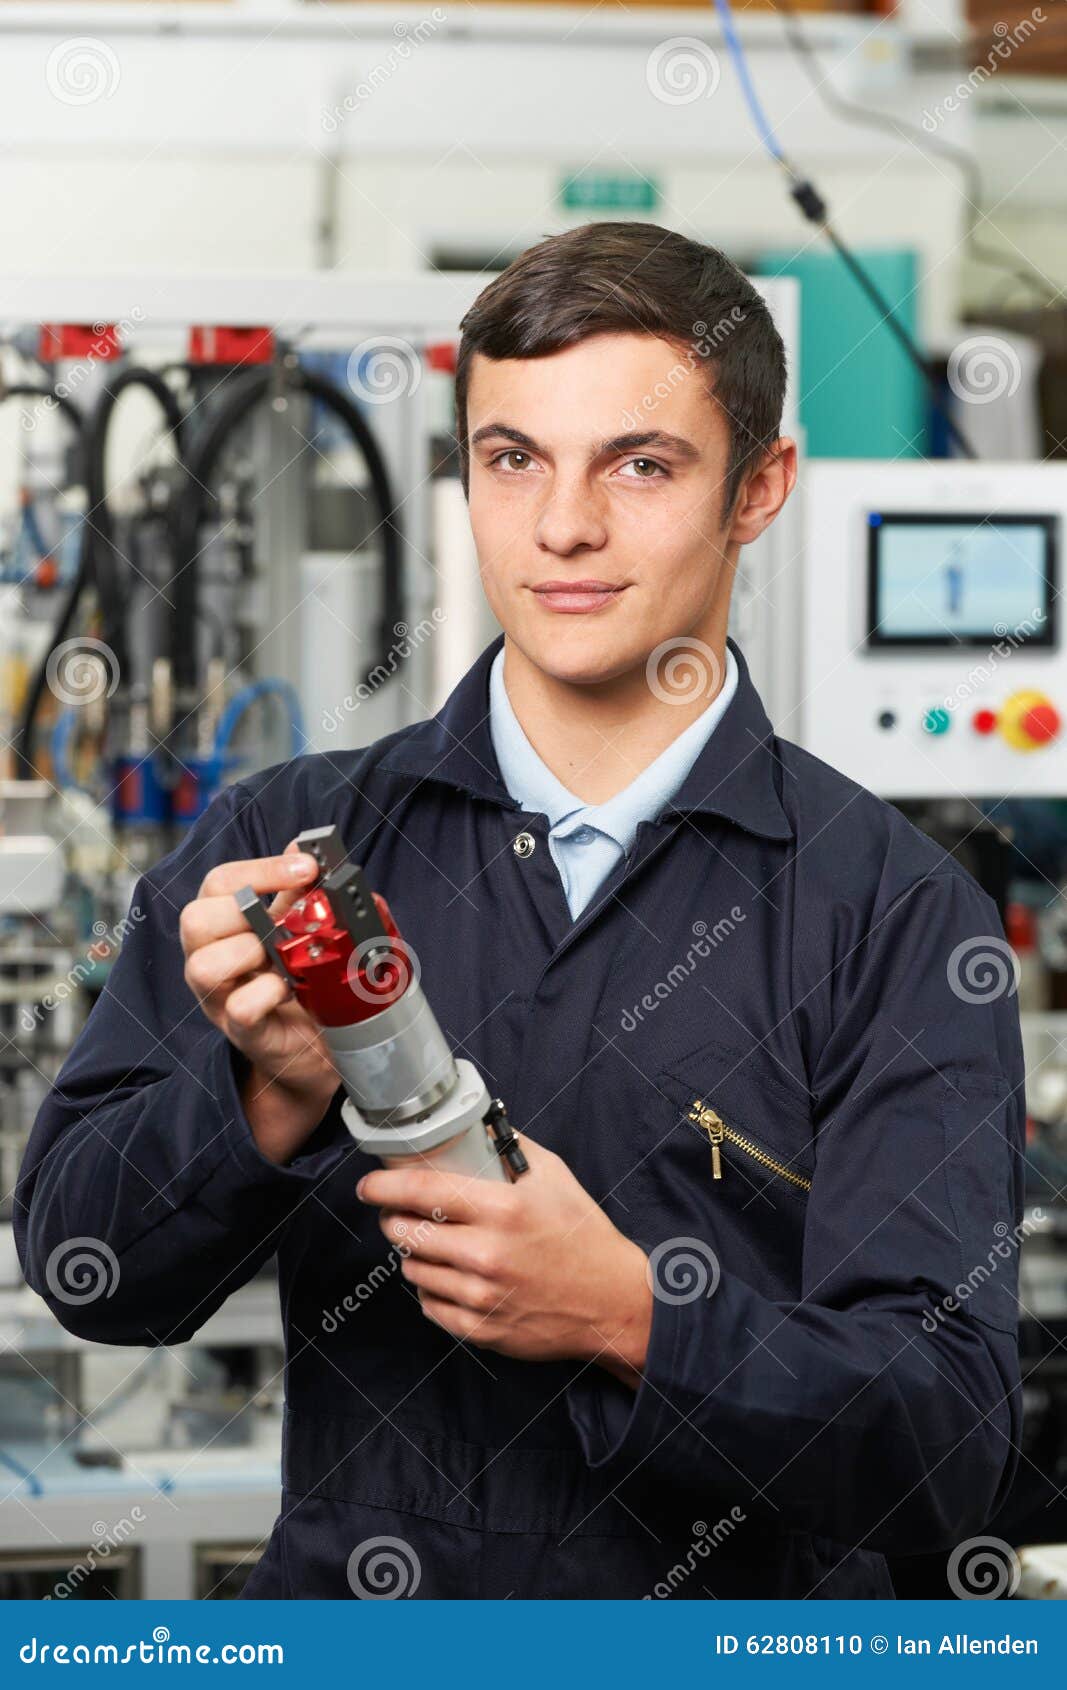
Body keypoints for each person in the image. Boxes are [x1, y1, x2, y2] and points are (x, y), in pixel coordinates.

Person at [15, 222, 1025, 1600]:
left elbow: (947, 1441)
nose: (562, 527)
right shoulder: (285, 848)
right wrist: (267, 1092)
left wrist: (634, 1318)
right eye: (513, 459)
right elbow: (87, 1272)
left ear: (759, 488)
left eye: (641, 464)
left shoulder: (894, 915)